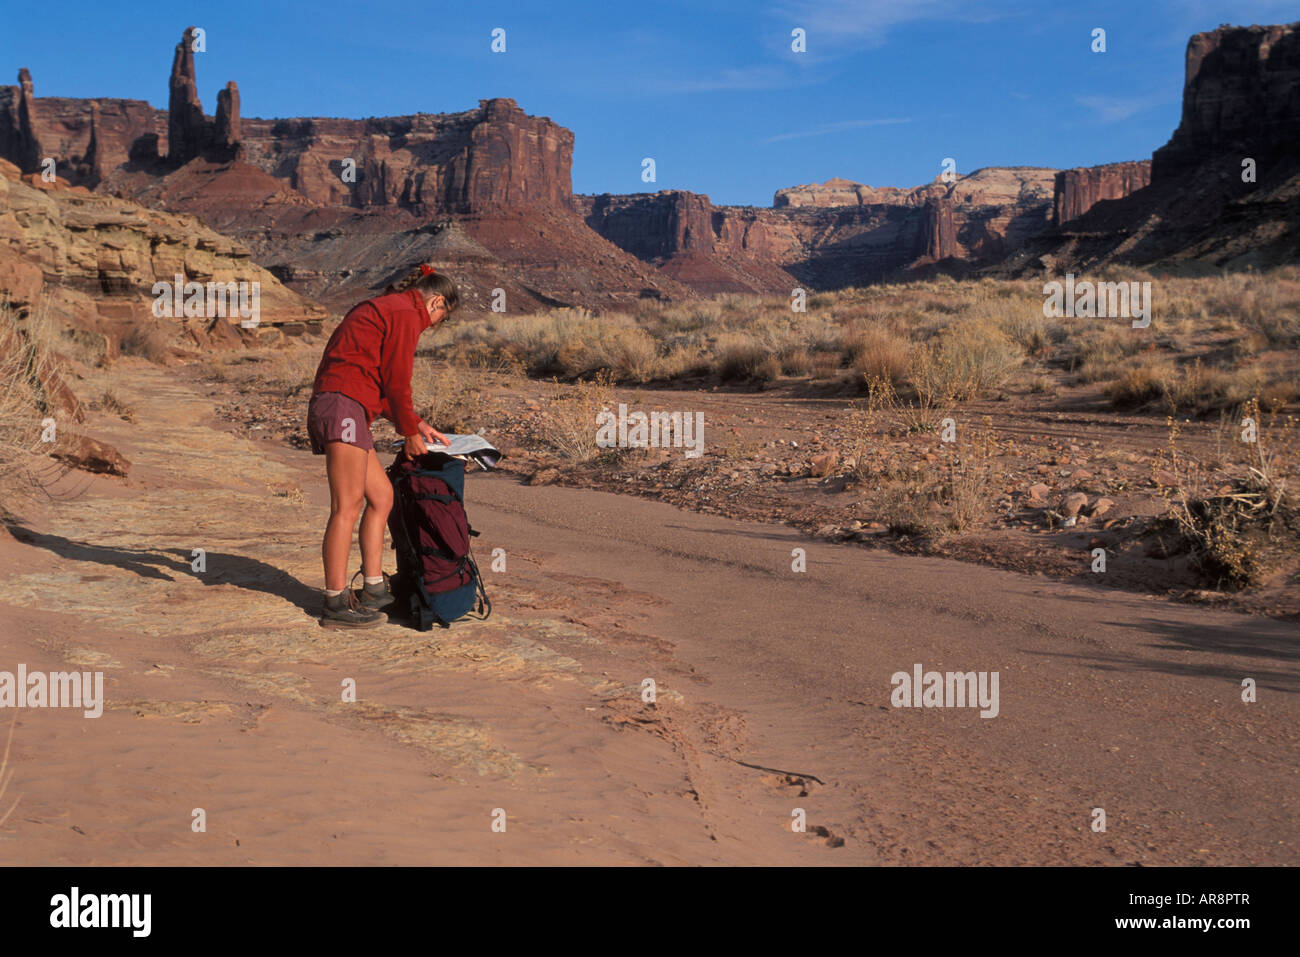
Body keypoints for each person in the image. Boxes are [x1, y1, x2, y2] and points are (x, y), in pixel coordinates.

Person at [306, 264, 459, 628]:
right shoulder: (406, 313)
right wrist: (409, 433)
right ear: (435, 301)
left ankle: (374, 588)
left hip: (350, 406)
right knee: (347, 505)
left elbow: (381, 383)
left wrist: (417, 424)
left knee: (382, 496)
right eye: (441, 317)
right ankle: (335, 603)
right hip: (343, 405)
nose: (435, 325)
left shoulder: (390, 308)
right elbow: (397, 380)